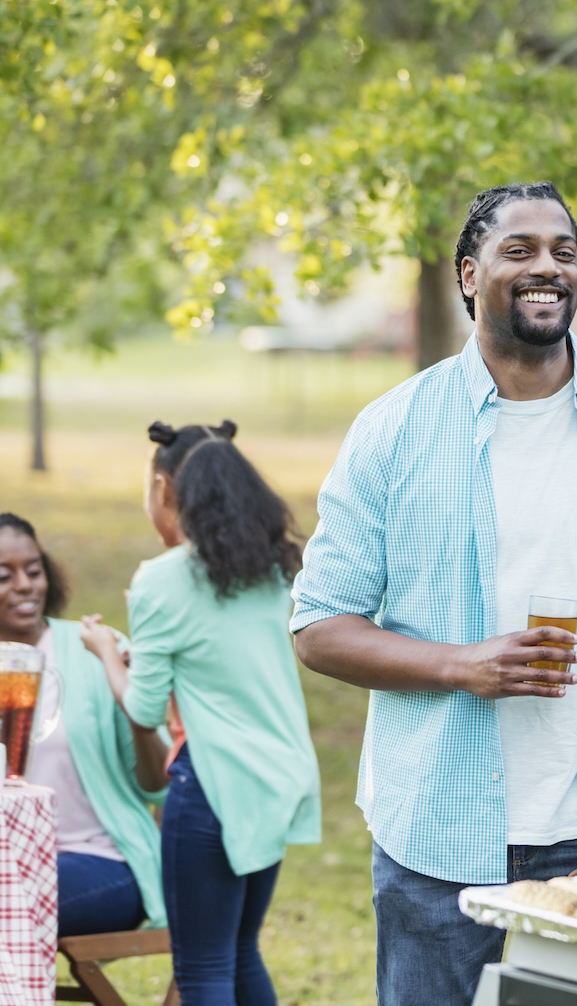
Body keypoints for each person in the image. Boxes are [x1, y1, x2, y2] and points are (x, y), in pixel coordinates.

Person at [291, 180, 577, 1005]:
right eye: (519, 250)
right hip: (437, 845)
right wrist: (463, 665)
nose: (548, 268)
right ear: (468, 274)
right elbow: (318, 624)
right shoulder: (394, 428)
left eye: (564, 252)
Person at [82, 420, 321, 1005]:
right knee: (241, 952)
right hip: (276, 779)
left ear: (165, 489)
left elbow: (142, 708)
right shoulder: (267, 570)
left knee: (203, 968)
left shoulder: (161, 580)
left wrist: (108, 654)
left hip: (212, 787)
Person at [0, 513, 167, 937]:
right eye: (5, 575)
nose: (25, 585)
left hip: (100, 859)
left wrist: (135, 709)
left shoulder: (99, 653)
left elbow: (159, 784)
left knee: (10, 903)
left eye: (34, 571)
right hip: (9, 862)